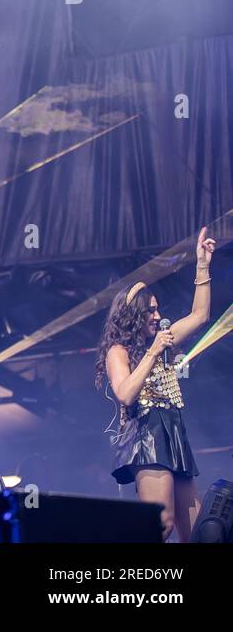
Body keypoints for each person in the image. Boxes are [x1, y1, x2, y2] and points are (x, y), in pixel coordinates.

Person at [96, 227, 216, 541]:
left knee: (201, 532)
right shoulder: (118, 351)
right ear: (134, 315)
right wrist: (152, 351)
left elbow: (200, 315)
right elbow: (125, 393)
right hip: (146, 435)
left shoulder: (162, 342)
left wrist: (202, 265)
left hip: (173, 431)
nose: (157, 315)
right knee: (160, 524)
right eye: (150, 310)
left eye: (157, 309)